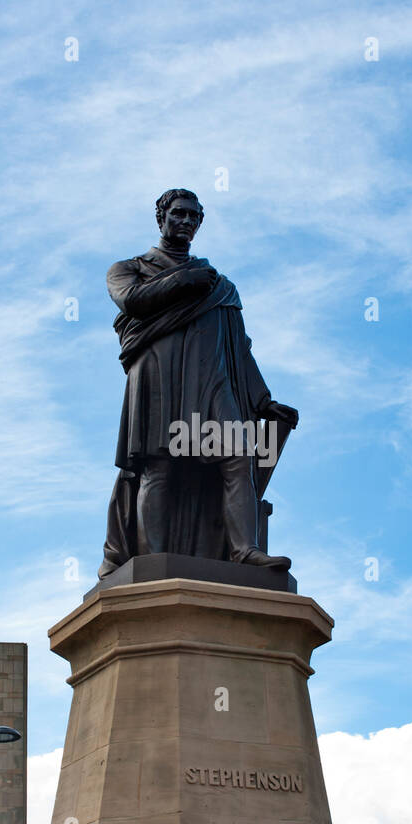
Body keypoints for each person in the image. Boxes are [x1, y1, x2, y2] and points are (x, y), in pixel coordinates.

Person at [98, 189, 298, 577]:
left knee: (239, 456)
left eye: (194, 217)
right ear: (162, 218)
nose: (187, 222)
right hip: (159, 378)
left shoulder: (220, 287)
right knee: (160, 468)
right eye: (180, 214)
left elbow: (239, 348)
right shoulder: (128, 268)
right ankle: (154, 559)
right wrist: (185, 280)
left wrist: (262, 400)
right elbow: (133, 301)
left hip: (210, 381)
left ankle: (244, 551)